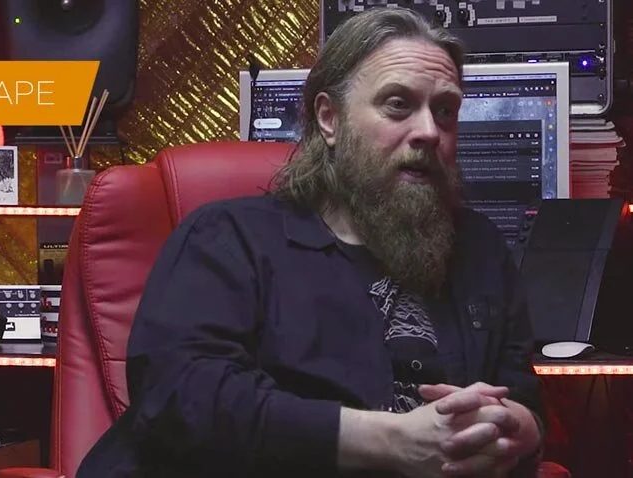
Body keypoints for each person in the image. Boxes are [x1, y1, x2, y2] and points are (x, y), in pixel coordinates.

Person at [77, 7, 544, 478]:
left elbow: (521, 397)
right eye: (398, 105)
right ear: (329, 118)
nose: (428, 131)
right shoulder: (229, 238)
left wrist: (518, 429)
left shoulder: (479, 250)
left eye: (445, 111)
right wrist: (393, 441)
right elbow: (181, 396)